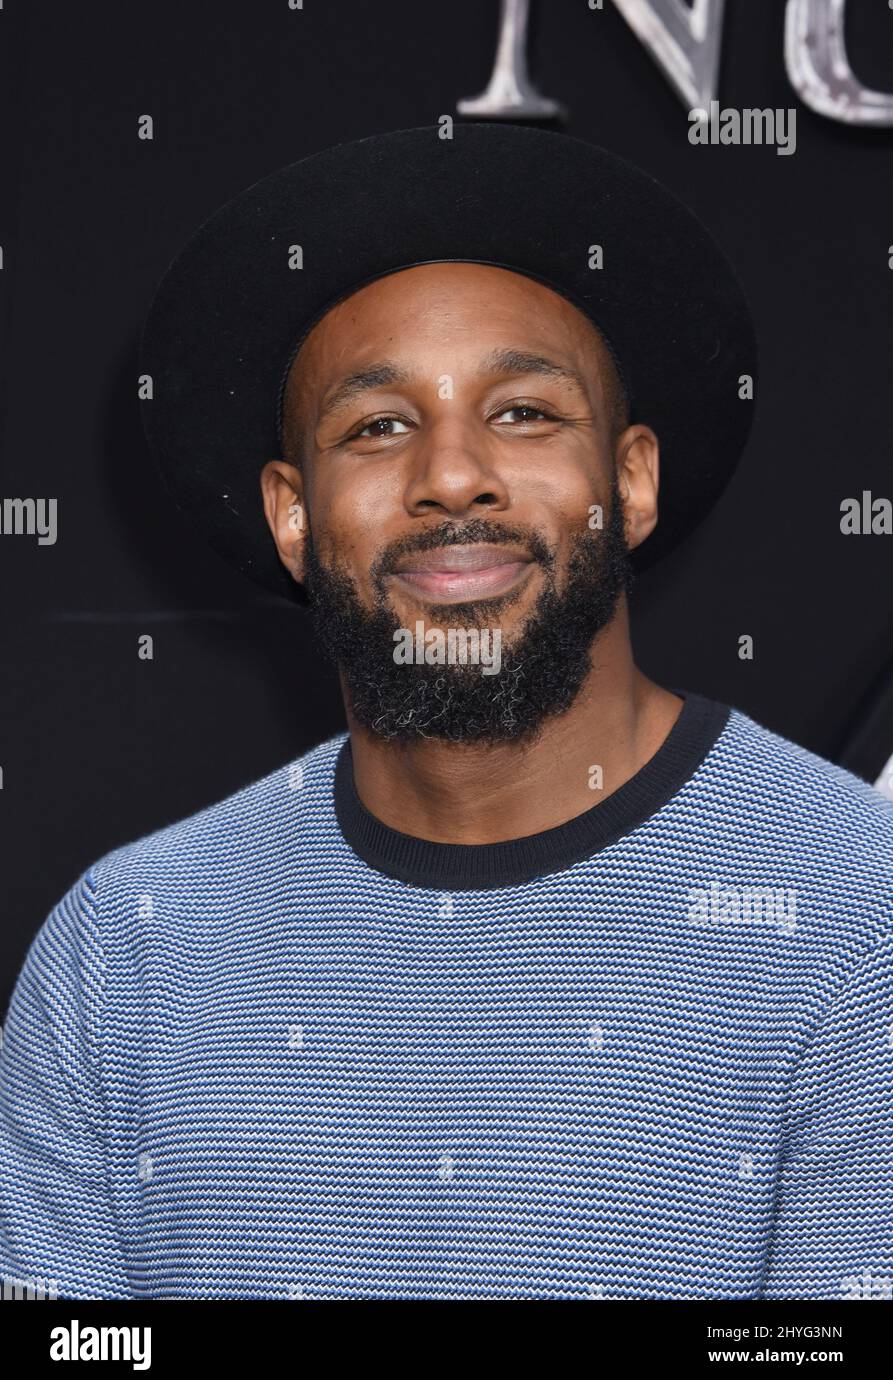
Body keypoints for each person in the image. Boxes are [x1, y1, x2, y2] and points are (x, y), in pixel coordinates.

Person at [1, 124, 891, 1301]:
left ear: (626, 482)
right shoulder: (123, 950)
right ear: (292, 517)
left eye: (523, 412)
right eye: (376, 427)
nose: (451, 473)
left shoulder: (857, 912)